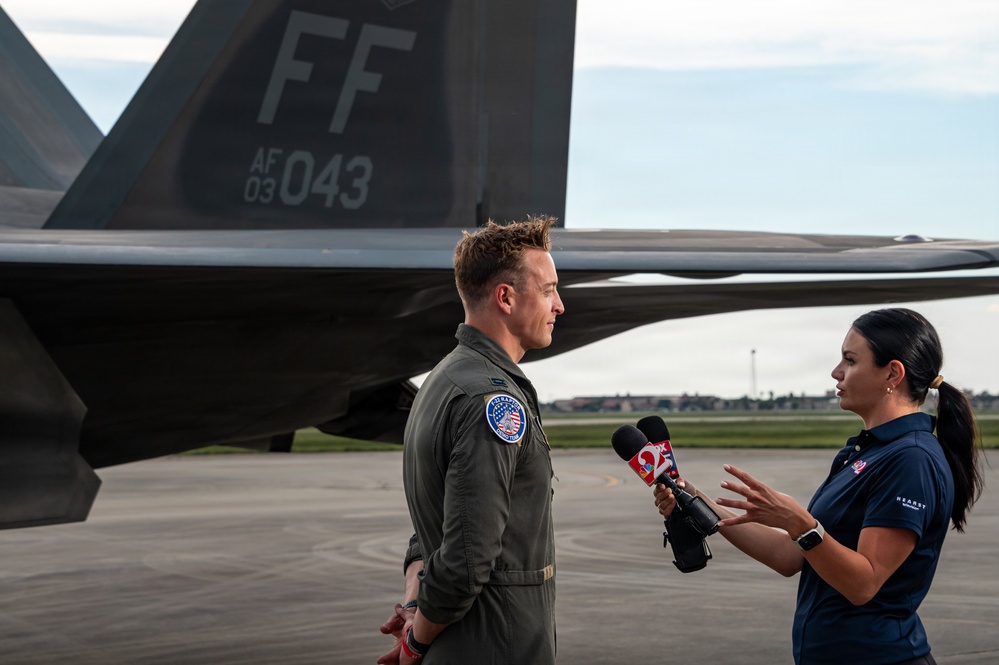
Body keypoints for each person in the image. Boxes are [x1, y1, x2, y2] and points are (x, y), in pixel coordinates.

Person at [654, 307, 984, 665]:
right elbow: (791, 556)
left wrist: (801, 524)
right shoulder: (866, 453)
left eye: (850, 360)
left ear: (892, 373)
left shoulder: (911, 460)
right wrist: (696, 499)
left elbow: (864, 583)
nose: (836, 372)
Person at [378, 216, 564, 665]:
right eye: (548, 290)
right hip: (495, 644)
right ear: (505, 297)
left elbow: (445, 518)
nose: (559, 305)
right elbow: (466, 559)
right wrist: (415, 642)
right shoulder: (491, 402)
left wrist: (414, 601)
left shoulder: (443, 381)